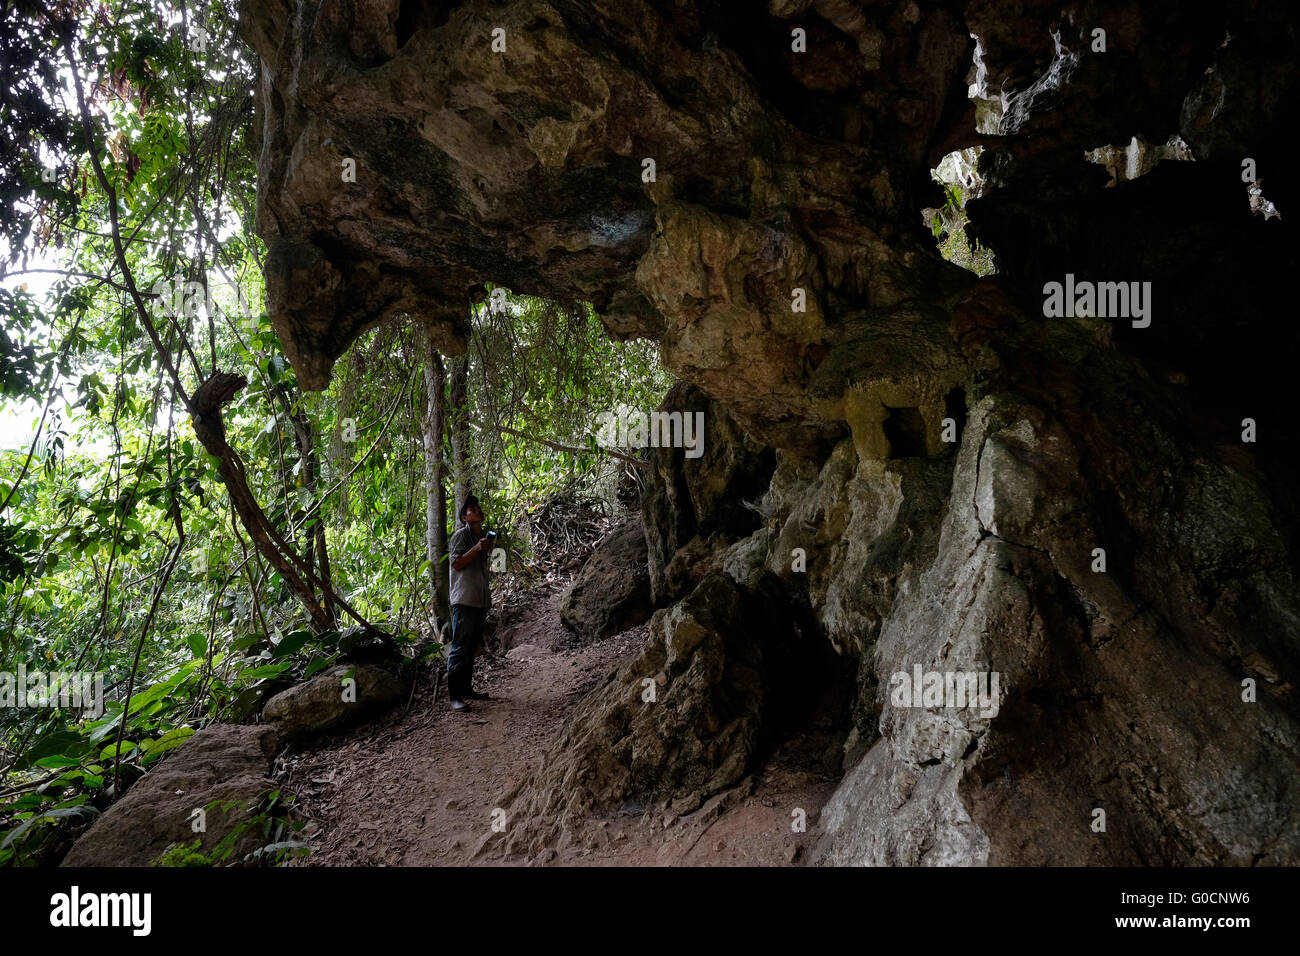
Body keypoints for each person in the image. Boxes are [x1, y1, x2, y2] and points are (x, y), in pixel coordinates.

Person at [446, 494, 494, 711]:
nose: (476, 510)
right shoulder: (460, 537)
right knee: (459, 647)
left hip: (479, 600)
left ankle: (466, 689)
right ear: (464, 518)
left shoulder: (482, 537)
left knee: (471, 647)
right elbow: (456, 564)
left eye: (477, 507)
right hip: (464, 600)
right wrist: (476, 549)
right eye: (471, 509)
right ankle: (454, 696)